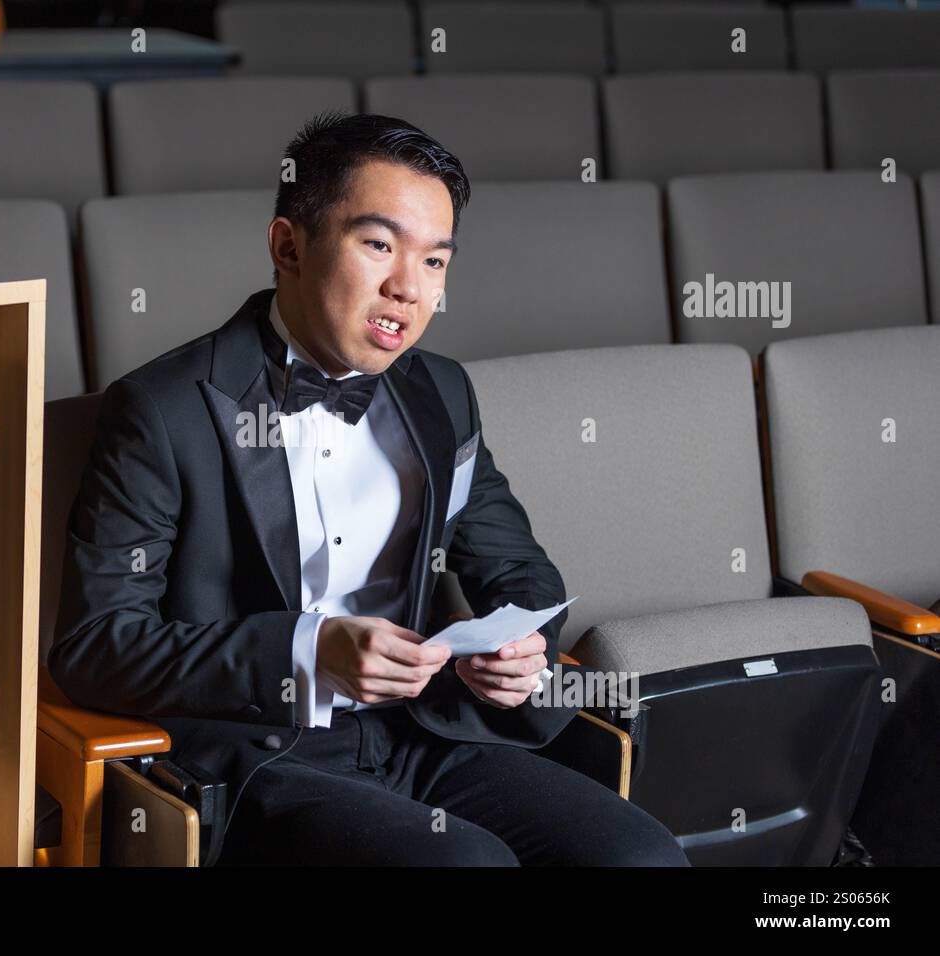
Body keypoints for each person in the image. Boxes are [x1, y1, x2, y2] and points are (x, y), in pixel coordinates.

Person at [51, 112, 688, 866]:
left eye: (435, 262)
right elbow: (95, 647)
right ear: (289, 245)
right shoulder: (163, 409)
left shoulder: (442, 393)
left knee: (638, 855)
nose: (407, 290)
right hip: (264, 755)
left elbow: (517, 570)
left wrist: (521, 645)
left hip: (427, 731)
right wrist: (308, 649)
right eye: (379, 245)